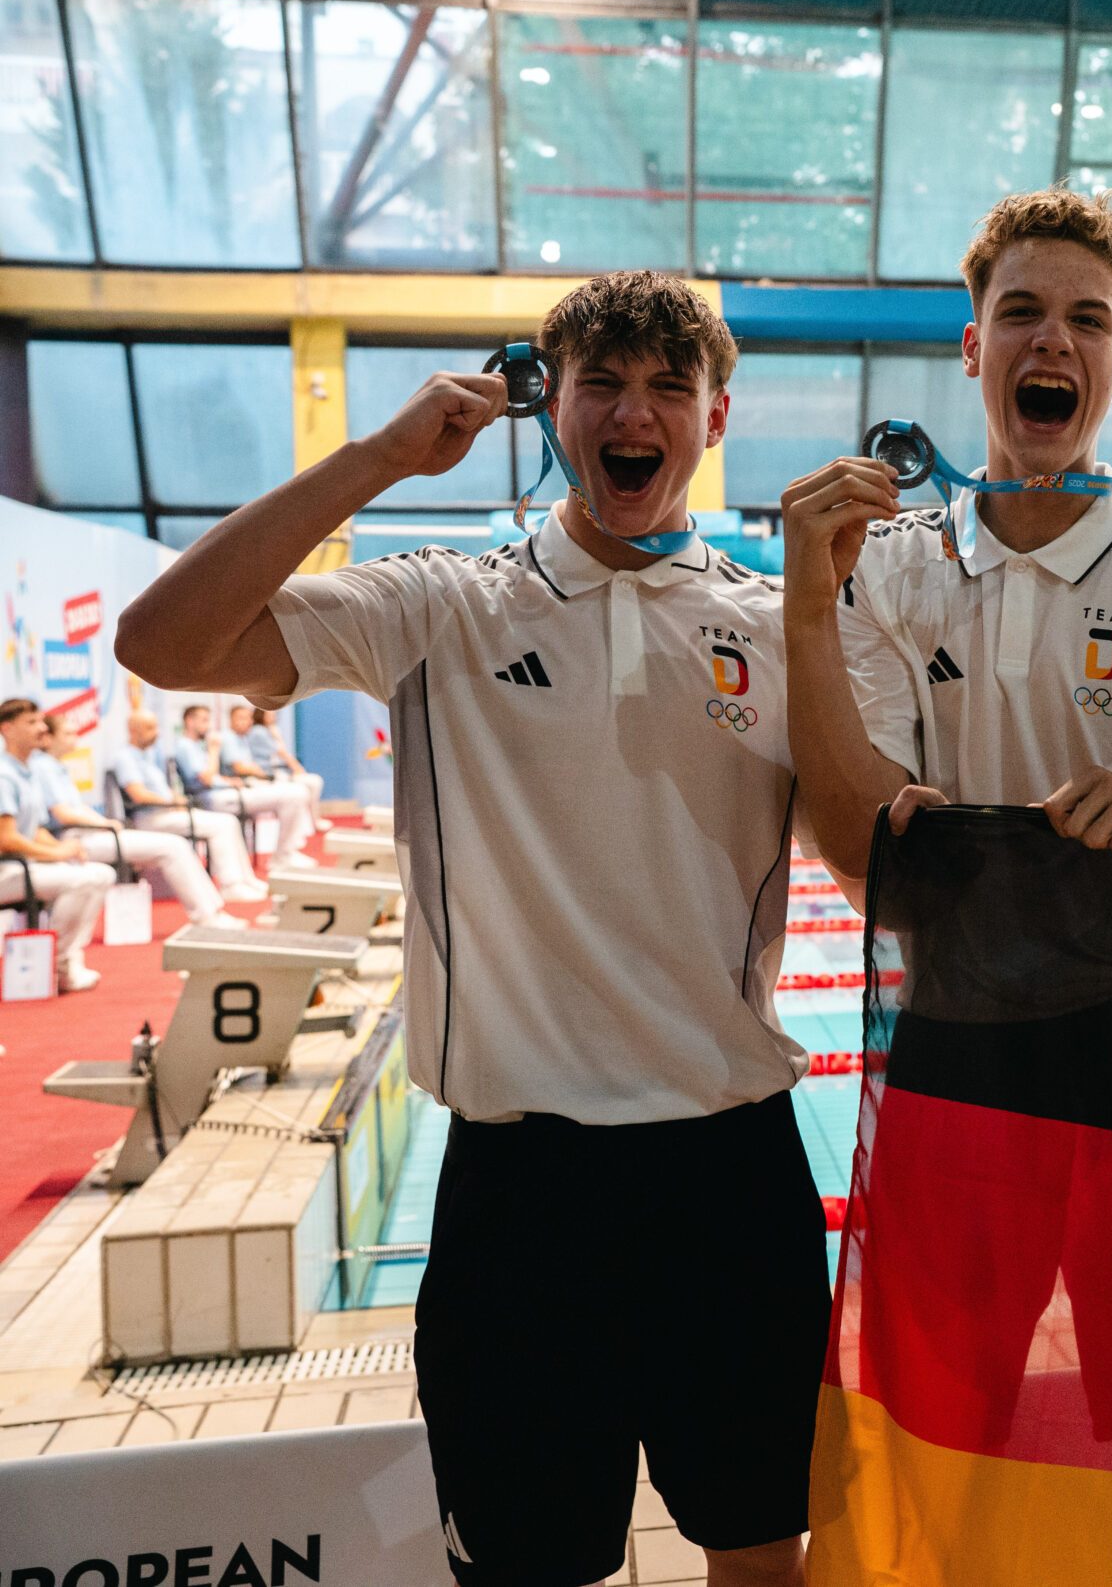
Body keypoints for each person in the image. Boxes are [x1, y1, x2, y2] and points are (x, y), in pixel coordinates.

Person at [116, 270, 828, 1587]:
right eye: (602, 380)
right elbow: (161, 641)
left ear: (715, 414)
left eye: (670, 385)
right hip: (525, 1192)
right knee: (527, 1563)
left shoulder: (773, 629)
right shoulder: (446, 602)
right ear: (549, 405)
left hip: (732, 1174)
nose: (636, 410)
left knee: (759, 1551)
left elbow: (875, 835)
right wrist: (381, 458)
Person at [783, 186, 1112, 1455]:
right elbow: (862, 866)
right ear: (972, 347)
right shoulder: (886, 568)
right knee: (931, 1445)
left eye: (1084, 320)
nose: (1051, 342)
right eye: (1021, 314)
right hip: (958, 1055)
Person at [18, 709, 228, 926]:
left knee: (177, 844)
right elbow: (63, 815)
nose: (76, 737)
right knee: (173, 846)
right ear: (50, 739)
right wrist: (104, 823)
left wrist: (102, 823)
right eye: (68, 734)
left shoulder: (56, 767)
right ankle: (207, 916)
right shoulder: (43, 767)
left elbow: (76, 810)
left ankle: (213, 911)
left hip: (88, 833)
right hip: (73, 838)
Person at [0, 698, 111, 991]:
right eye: (31, 723)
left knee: (101, 874)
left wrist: (65, 854)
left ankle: (68, 960)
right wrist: (59, 852)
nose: (41, 728)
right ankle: (57, 965)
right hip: (7, 869)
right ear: (7, 729)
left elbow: (34, 830)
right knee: (82, 882)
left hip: (20, 865)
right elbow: (7, 838)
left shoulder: (28, 770)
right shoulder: (3, 773)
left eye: (40, 721)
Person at [106, 711, 265, 904]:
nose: (156, 733)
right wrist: (173, 803)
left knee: (229, 821)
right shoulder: (125, 758)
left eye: (156, 727)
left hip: (168, 812)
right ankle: (230, 886)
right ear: (132, 730)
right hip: (151, 818)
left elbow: (163, 790)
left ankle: (245, 880)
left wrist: (175, 799)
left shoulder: (147, 756)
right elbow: (138, 795)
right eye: (149, 728)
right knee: (221, 825)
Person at [171, 701, 317, 867]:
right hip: (213, 799)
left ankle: (287, 851)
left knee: (297, 791)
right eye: (204, 720)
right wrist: (213, 751)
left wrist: (229, 781)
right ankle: (283, 855)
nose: (208, 725)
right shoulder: (185, 746)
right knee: (295, 795)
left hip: (227, 791)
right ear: (190, 721)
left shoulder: (197, 745)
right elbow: (206, 778)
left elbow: (212, 777)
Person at [227, 704, 326, 812]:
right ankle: (311, 823)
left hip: (265, 775)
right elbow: (281, 752)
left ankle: (311, 822)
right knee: (300, 792)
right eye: (271, 714)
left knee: (305, 789)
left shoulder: (245, 737)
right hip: (259, 778)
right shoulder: (258, 732)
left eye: (248, 718)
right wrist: (297, 768)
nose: (274, 717)